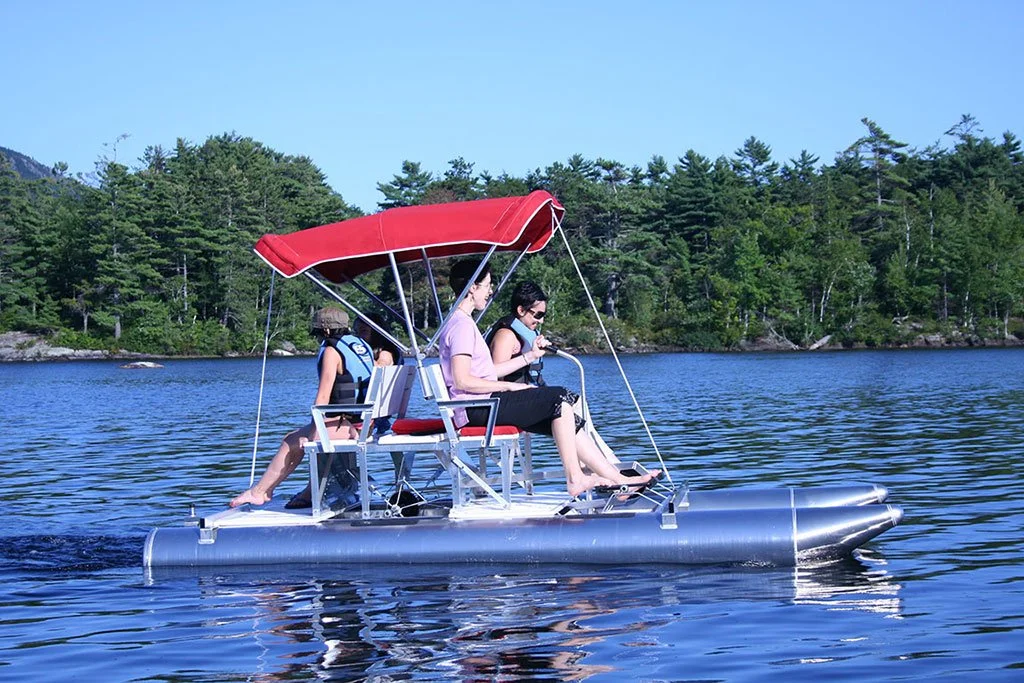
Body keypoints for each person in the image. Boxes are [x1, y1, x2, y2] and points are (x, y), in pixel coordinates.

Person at [437, 258, 659, 497]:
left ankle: (618, 482)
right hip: (477, 409)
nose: (490, 291)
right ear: (472, 287)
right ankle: (576, 479)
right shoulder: (460, 326)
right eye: (487, 285)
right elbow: (462, 381)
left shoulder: (463, 323)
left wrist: (529, 356)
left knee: (564, 410)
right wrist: (511, 387)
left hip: (483, 405)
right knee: (558, 398)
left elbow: (487, 372)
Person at [229, 306, 374, 508]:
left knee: (291, 442)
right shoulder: (361, 345)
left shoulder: (332, 351)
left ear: (325, 331)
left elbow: (323, 396)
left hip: (348, 425)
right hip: (364, 423)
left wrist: (315, 434)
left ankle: (260, 493)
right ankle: (304, 492)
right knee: (296, 436)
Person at [486, 281, 548, 385]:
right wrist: (531, 356)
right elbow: (495, 377)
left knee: (570, 398)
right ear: (521, 310)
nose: (541, 321)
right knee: (566, 397)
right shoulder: (505, 336)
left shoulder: (530, 334)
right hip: (509, 396)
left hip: (531, 392)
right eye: (538, 315)